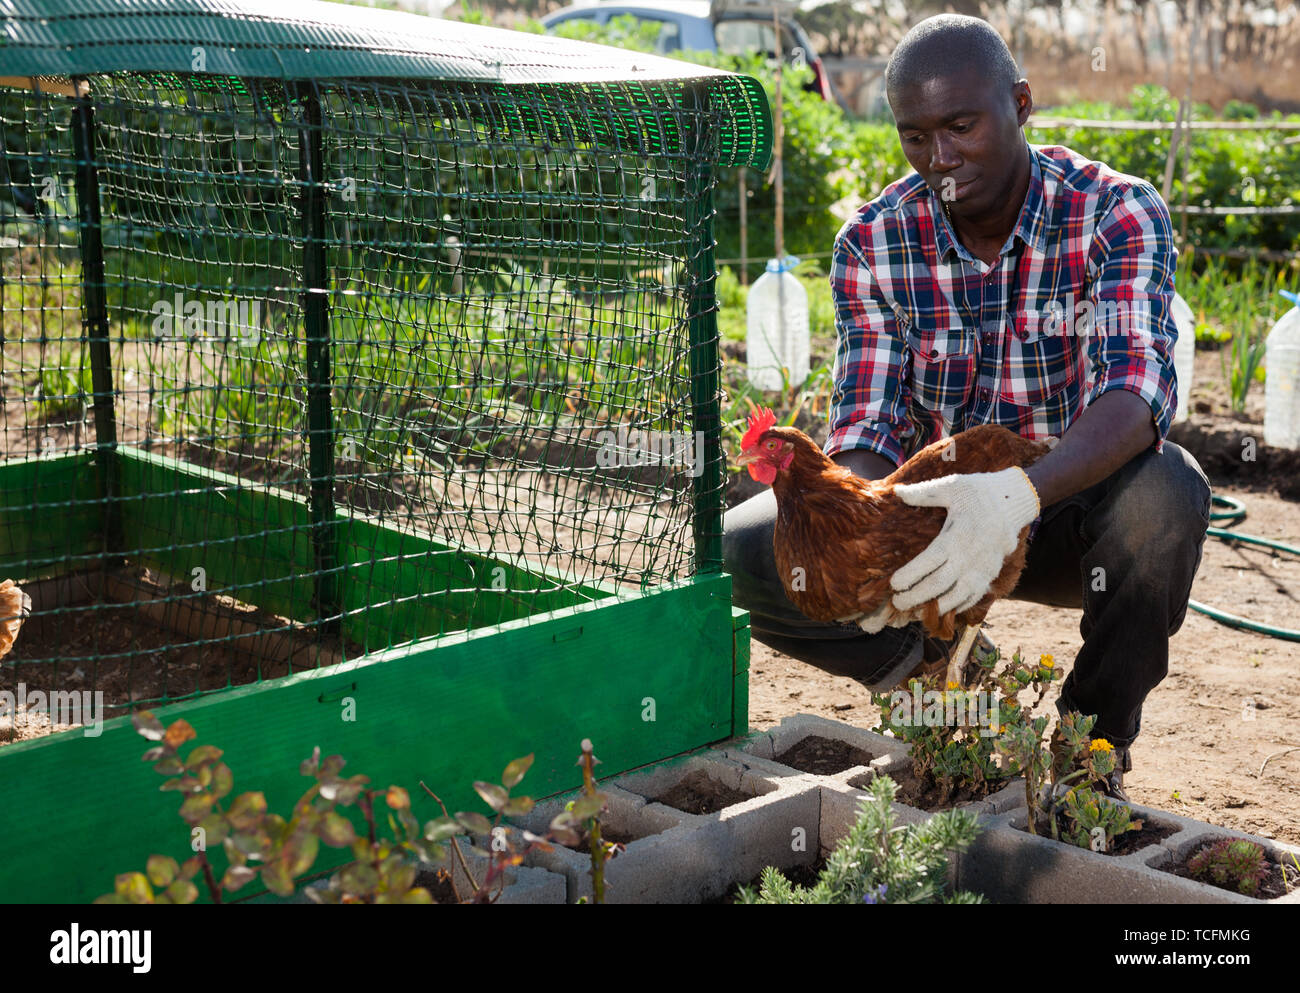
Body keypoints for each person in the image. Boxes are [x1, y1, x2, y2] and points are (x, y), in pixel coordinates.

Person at [722, 13, 1212, 799]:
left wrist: (1018, 494)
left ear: (1020, 105)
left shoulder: (1113, 213)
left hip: (1071, 506)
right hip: (934, 519)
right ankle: (948, 686)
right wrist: (852, 521)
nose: (940, 158)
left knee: (1166, 497)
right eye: (914, 136)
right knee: (753, 545)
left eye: (960, 125)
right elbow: (870, 422)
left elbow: (1135, 390)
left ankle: (1092, 746)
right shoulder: (876, 240)